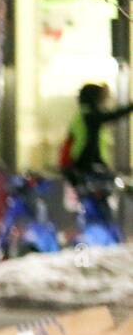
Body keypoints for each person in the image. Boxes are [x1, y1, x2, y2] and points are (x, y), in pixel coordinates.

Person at [60, 82, 133, 231]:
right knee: (101, 203)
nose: (104, 101)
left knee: (98, 203)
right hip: (84, 169)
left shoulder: (85, 115)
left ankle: (100, 233)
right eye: (101, 98)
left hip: (87, 169)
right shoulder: (89, 115)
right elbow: (111, 116)